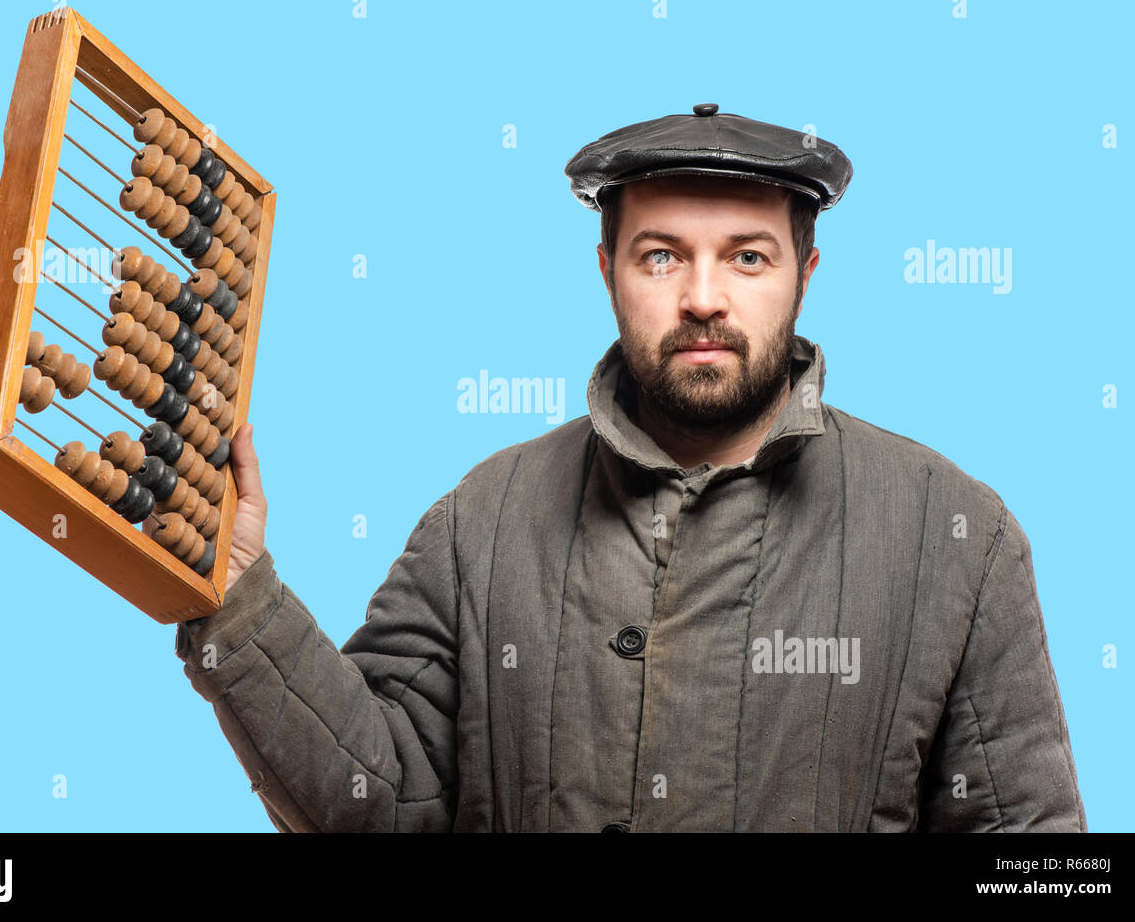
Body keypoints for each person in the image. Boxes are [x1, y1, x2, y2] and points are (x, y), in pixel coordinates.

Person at [176, 105, 1087, 832]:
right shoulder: (480, 521)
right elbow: (376, 801)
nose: (702, 296)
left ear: (805, 272)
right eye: (662, 256)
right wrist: (238, 594)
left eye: (747, 257)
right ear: (607, 267)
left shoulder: (956, 536)